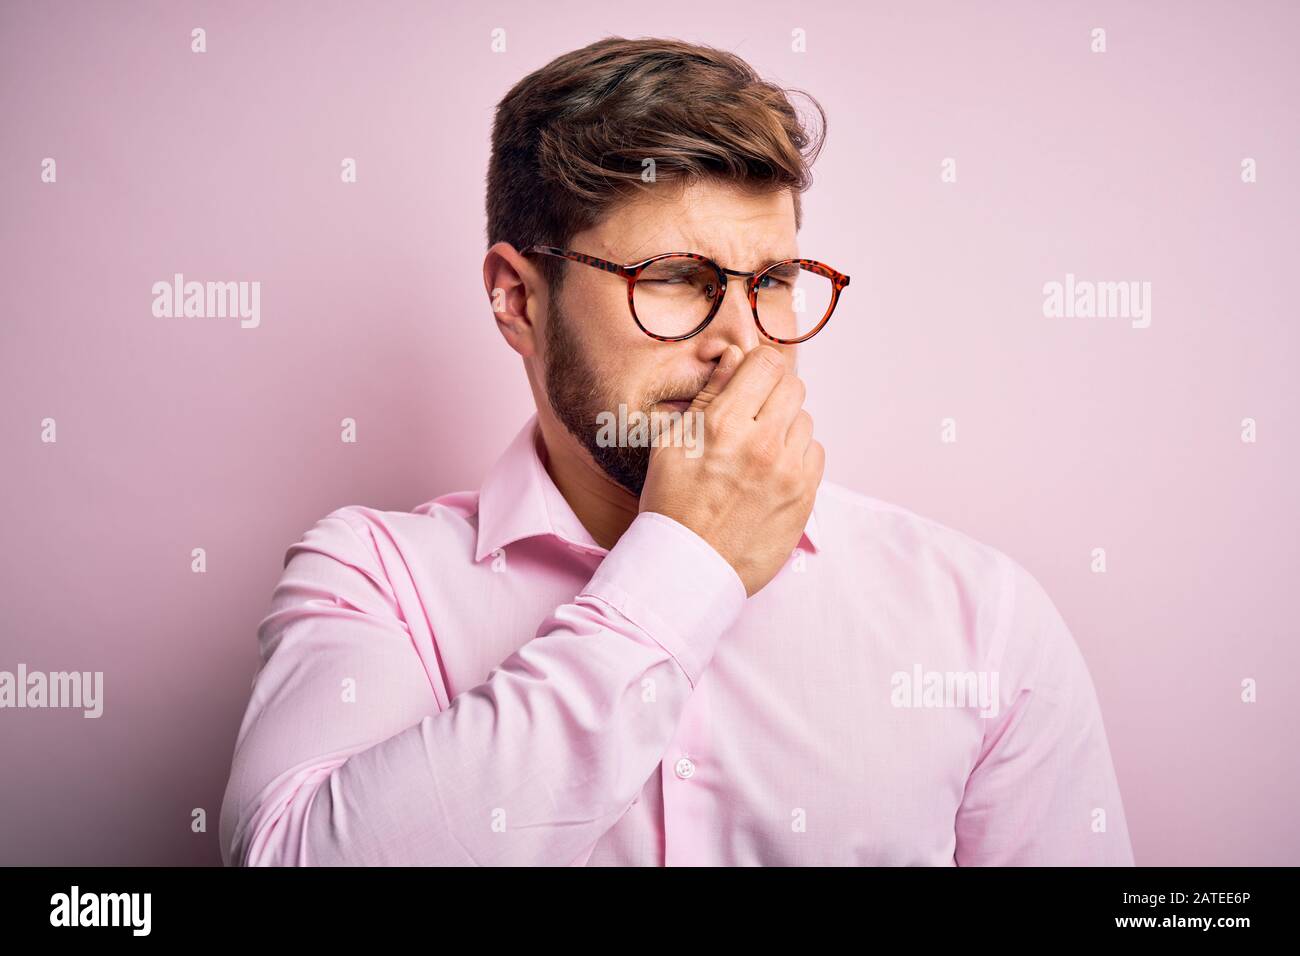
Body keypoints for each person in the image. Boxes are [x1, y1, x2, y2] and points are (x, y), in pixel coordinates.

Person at [218, 36, 1134, 866]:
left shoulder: (979, 617)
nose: (741, 341)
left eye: (772, 280)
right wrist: (685, 565)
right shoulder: (373, 580)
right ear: (519, 299)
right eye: (675, 280)